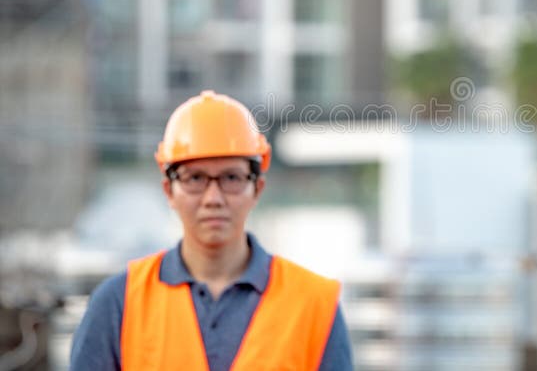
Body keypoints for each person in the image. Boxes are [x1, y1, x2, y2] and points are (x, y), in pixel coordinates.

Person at [70, 90, 353, 370]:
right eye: (195, 178)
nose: (213, 198)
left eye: (231, 177)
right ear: (169, 191)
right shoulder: (119, 304)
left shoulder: (315, 306)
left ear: (257, 188)